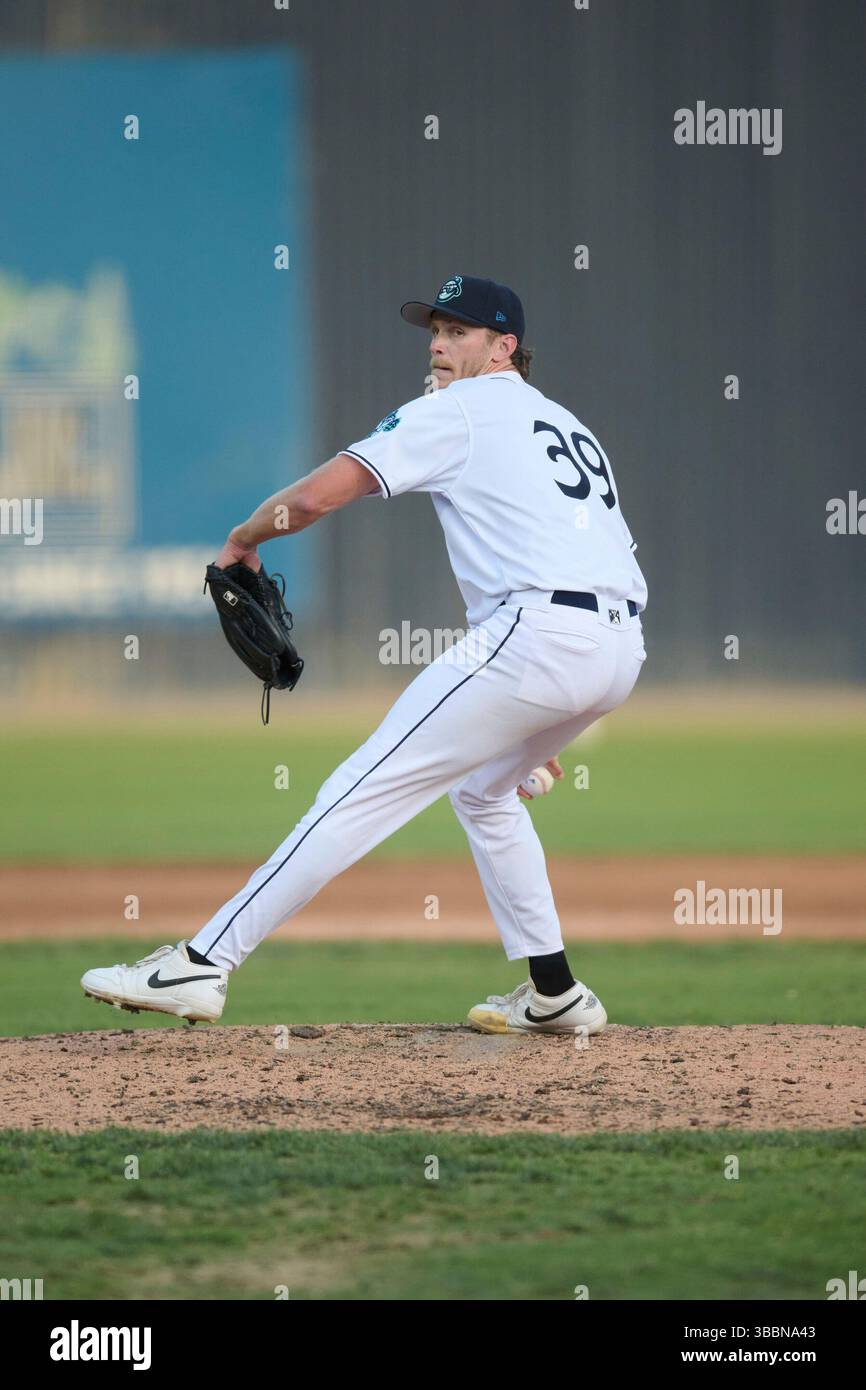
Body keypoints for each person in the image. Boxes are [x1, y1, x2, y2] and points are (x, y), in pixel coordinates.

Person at [81, 274, 648, 1036]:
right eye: (434, 329)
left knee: (359, 790)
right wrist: (541, 709)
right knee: (483, 792)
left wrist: (246, 538)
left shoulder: (458, 411)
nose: (439, 343)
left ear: (503, 347)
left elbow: (316, 497)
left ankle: (201, 963)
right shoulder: (566, 425)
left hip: (539, 636)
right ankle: (555, 993)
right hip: (617, 646)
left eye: (459, 331)